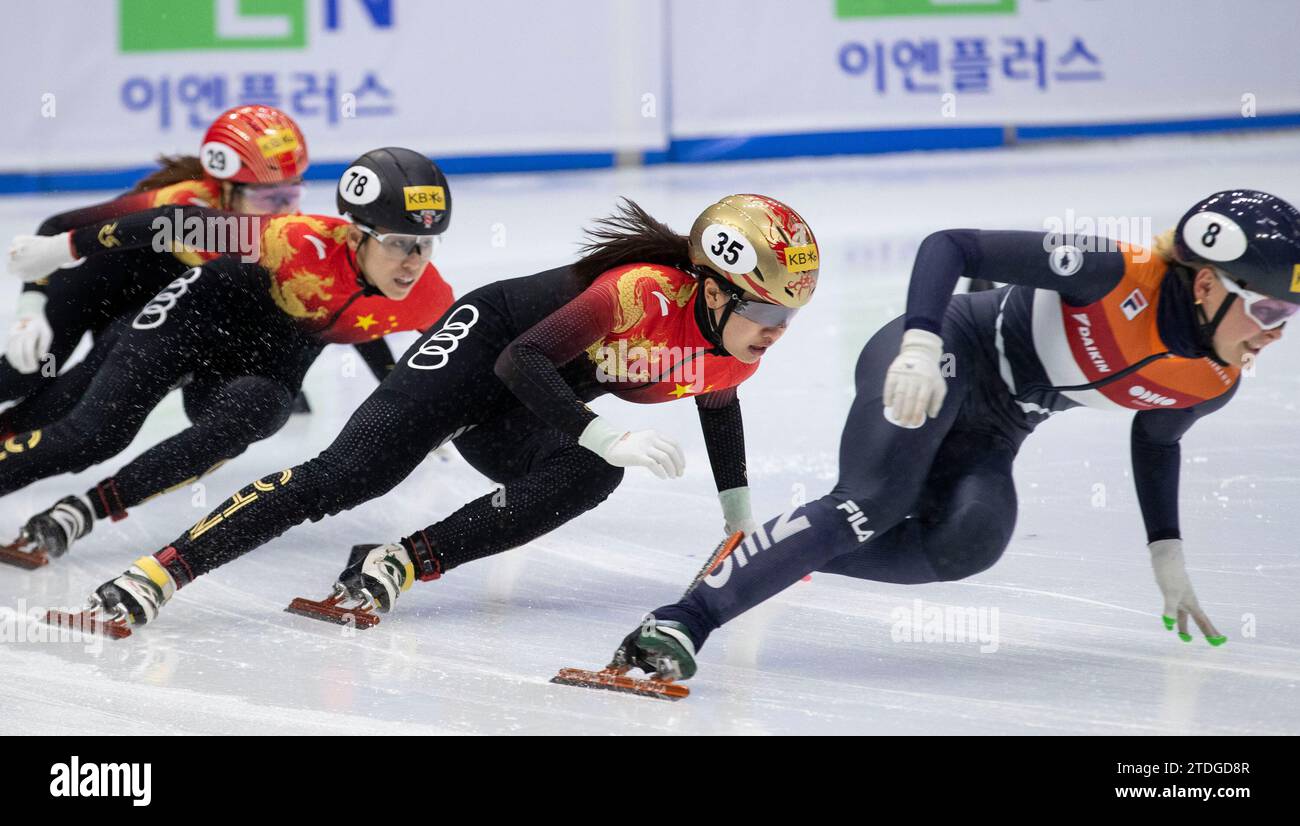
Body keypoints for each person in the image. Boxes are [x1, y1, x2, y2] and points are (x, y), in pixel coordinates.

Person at [606, 189, 1297, 684]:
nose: (1274, 331)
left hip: (1000, 423)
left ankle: (767, 552)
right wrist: (920, 342)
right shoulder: (1116, 273)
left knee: (970, 542)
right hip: (947, 352)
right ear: (1206, 283)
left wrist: (1166, 553)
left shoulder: (1214, 379)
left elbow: (1159, 439)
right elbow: (953, 246)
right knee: (872, 503)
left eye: (1290, 315)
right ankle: (682, 619)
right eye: (1266, 308)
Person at [76, 194, 821, 629]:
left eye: (790, 316)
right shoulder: (635, 293)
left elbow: (719, 406)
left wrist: (737, 521)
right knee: (348, 476)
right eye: (765, 308)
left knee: (592, 475)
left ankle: (398, 561)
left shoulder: (737, 345)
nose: (776, 330)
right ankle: (161, 571)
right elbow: (521, 360)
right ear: (714, 288)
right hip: (485, 349)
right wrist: (602, 427)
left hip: (526, 412)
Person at [0, 148, 455, 563]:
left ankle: (81, 512)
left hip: (251, 370)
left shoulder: (429, 296)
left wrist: (442, 416)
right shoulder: (293, 239)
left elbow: (449, 357)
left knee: (263, 410)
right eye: (398, 242)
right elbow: (173, 222)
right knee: (94, 435)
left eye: (424, 245)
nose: (413, 262)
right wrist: (61, 249)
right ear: (357, 237)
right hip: (185, 323)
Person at [1, 104, 393, 435]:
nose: (283, 209)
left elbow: (347, 307)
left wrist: (396, 389)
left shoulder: (284, 234)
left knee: (75, 399)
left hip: (150, 300)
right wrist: (30, 309)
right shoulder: (181, 202)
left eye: (292, 193)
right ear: (223, 187)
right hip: (96, 280)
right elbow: (55, 229)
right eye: (268, 196)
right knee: (24, 374)